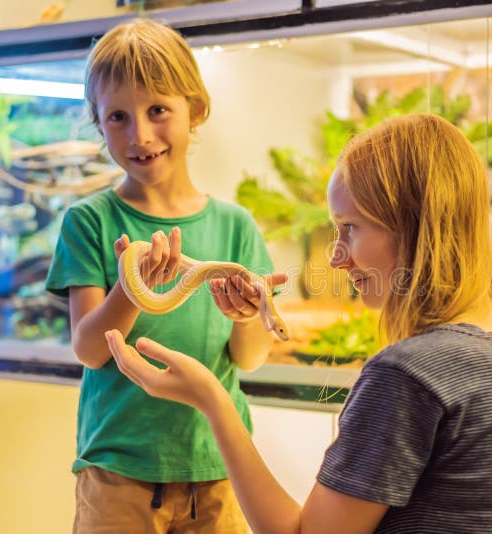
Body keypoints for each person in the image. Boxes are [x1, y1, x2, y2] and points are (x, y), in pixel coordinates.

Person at [106, 113, 492, 533]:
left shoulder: (411, 373)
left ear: (411, 225)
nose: (336, 257)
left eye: (350, 229)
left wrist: (211, 399)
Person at [46, 18, 285, 533]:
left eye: (158, 110)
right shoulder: (89, 222)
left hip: (219, 467)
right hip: (117, 472)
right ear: (98, 122)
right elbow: (89, 349)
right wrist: (133, 288)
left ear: (195, 110)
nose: (141, 134)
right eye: (118, 117)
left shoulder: (235, 226)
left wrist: (248, 315)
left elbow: (250, 356)